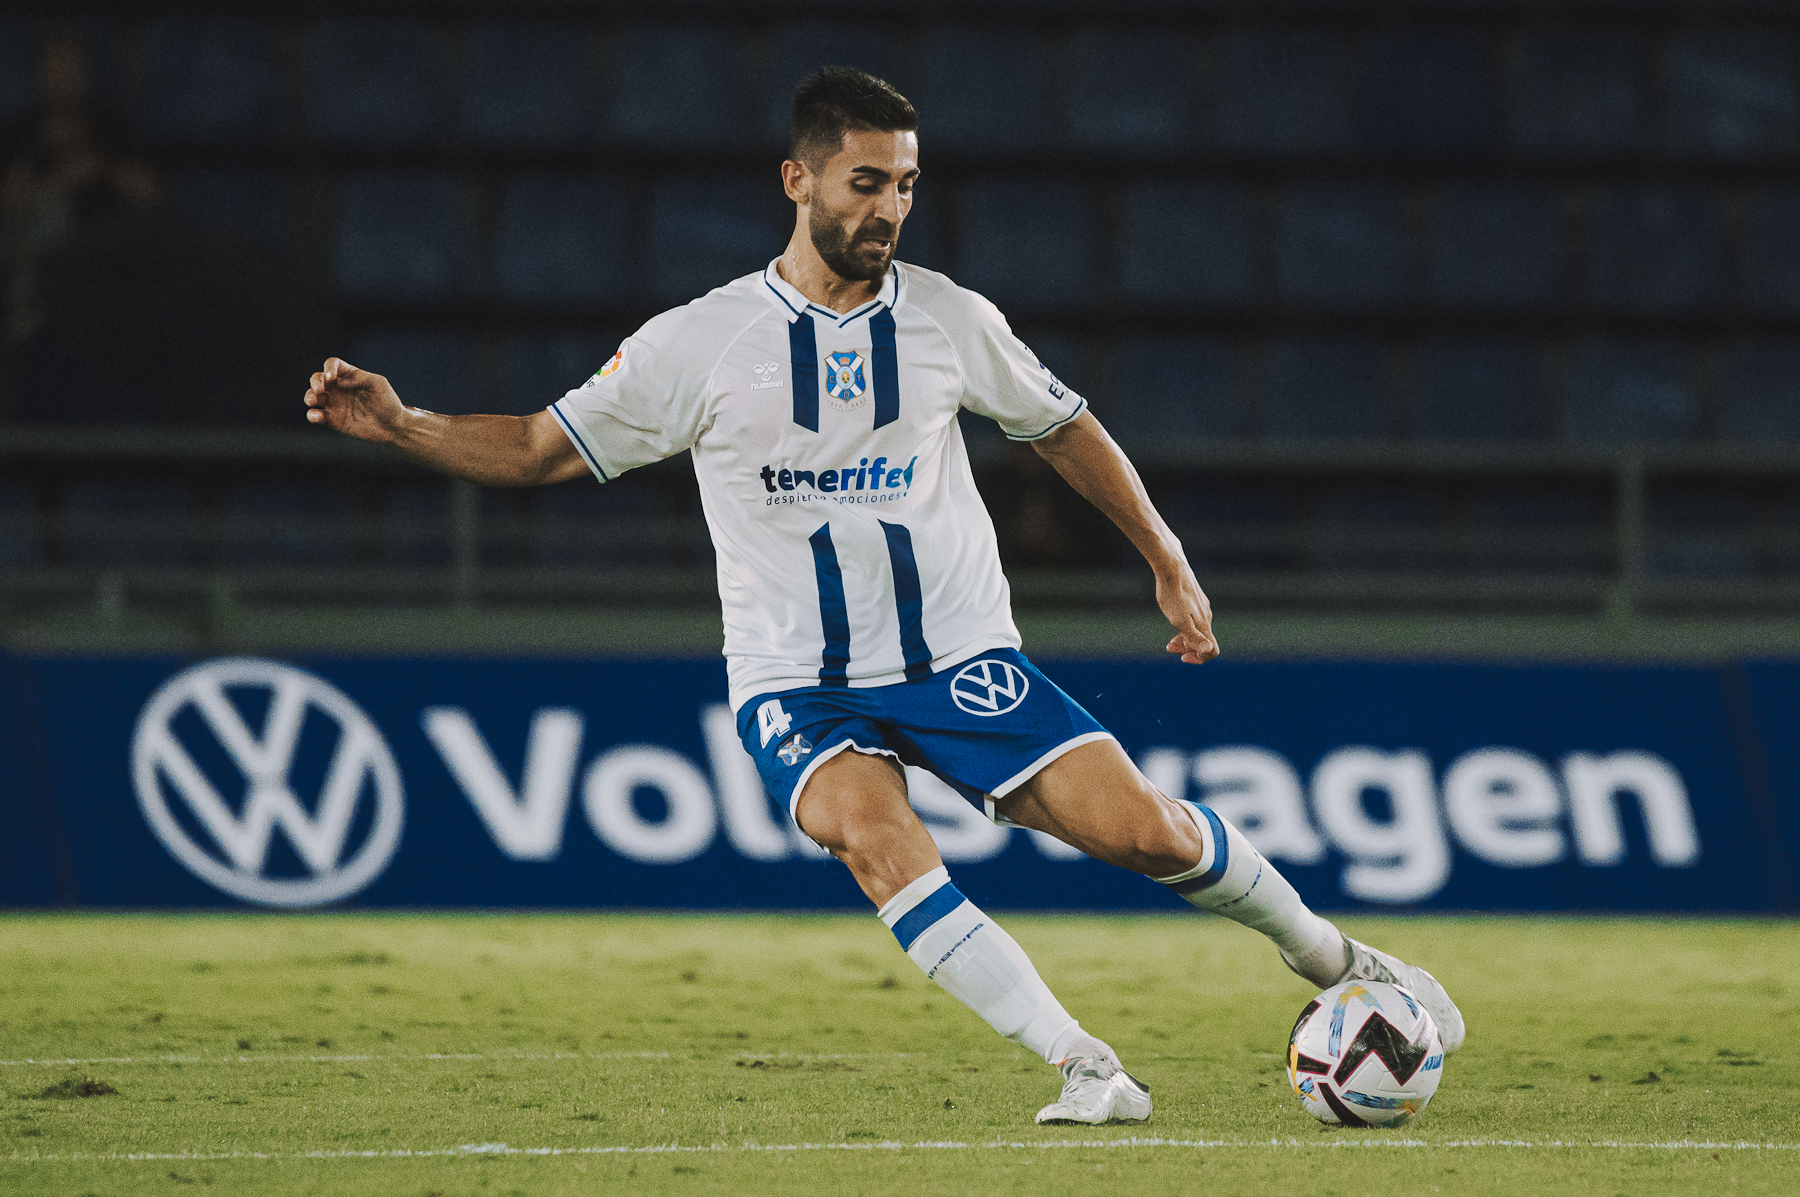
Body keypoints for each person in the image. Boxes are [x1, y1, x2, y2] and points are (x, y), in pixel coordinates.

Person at [303, 66, 1463, 1125]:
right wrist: (406, 425)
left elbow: (1062, 427)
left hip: (960, 655)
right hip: (796, 680)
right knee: (871, 829)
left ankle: (1337, 960)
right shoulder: (701, 343)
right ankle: (1085, 1064)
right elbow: (543, 448)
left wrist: (1165, 555)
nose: (890, 208)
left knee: (1146, 832)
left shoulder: (952, 318)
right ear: (798, 180)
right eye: (867, 182)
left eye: (907, 184)